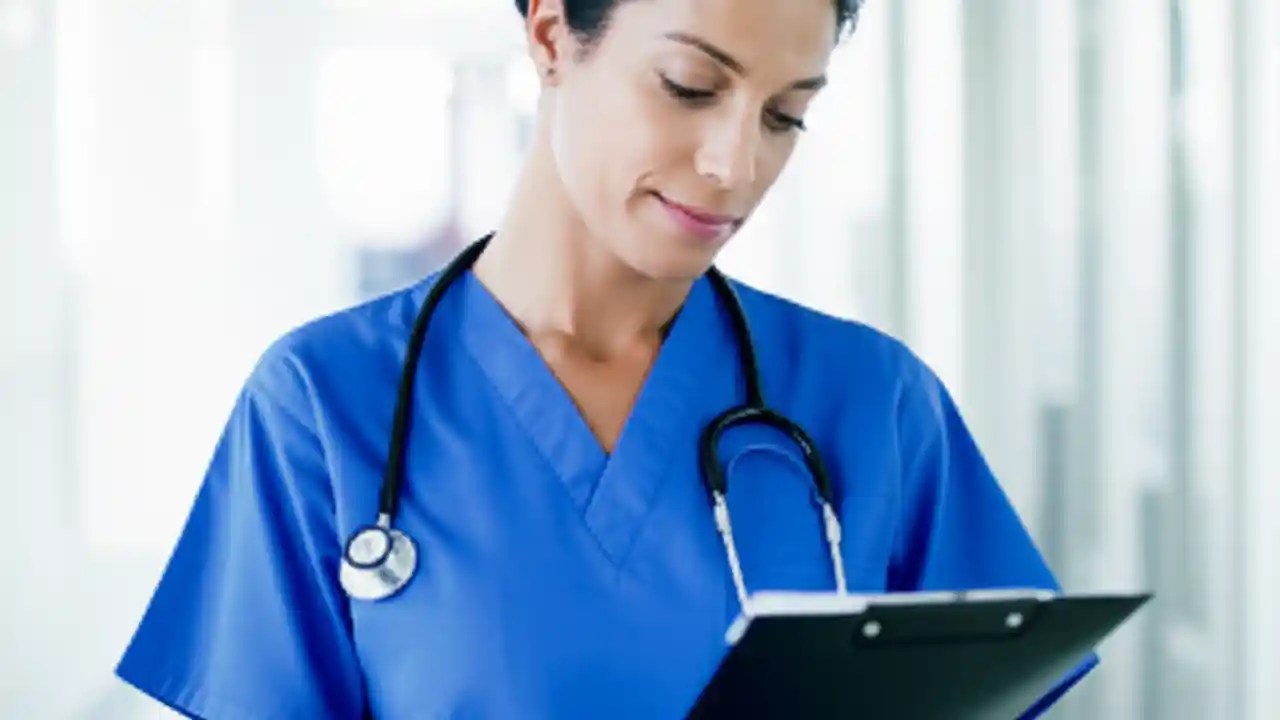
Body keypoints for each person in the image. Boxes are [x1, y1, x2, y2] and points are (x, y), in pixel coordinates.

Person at [115, 0, 1096, 717]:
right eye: (689, 87)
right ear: (548, 35)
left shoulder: (871, 404)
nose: (734, 164)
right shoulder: (326, 405)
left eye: (784, 114)